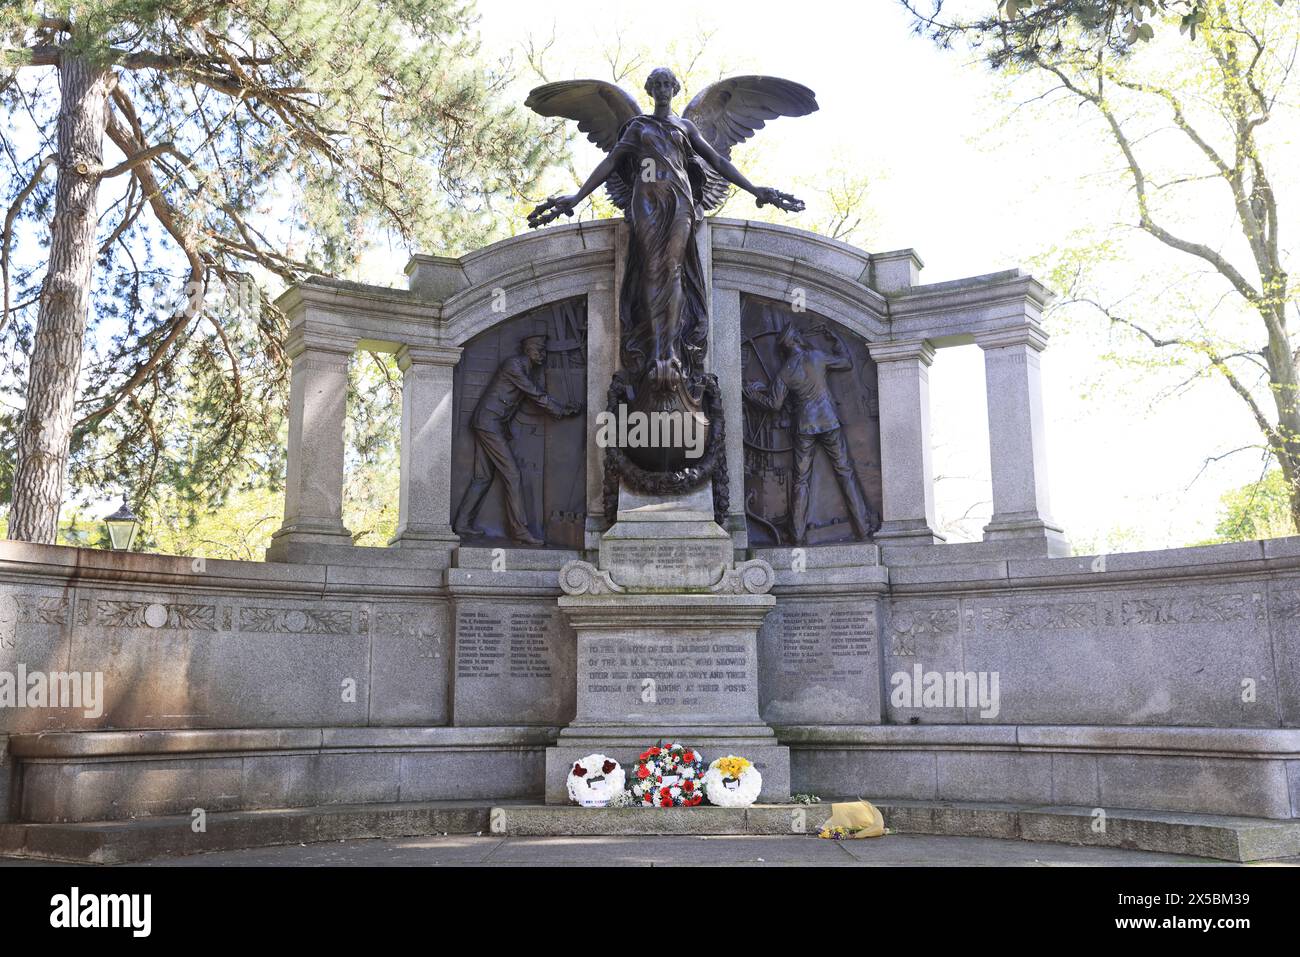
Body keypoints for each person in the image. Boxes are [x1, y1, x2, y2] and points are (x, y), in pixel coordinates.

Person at [744, 323, 877, 544]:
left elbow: (773, 404)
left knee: (801, 482)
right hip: (829, 423)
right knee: (846, 474)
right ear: (796, 340)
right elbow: (846, 361)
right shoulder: (816, 357)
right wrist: (835, 339)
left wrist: (751, 395)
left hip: (805, 428)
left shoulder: (786, 371)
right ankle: (863, 530)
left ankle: (796, 536)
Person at [455, 335, 579, 546]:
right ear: (528, 350)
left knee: (482, 477)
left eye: (544, 350)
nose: (542, 354)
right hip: (489, 423)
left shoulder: (525, 368)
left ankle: (462, 524)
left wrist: (562, 409)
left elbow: (533, 396)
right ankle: (519, 530)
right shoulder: (514, 366)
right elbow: (534, 393)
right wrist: (559, 410)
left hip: (489, 423)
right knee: (512, 474)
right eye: (539, 349)